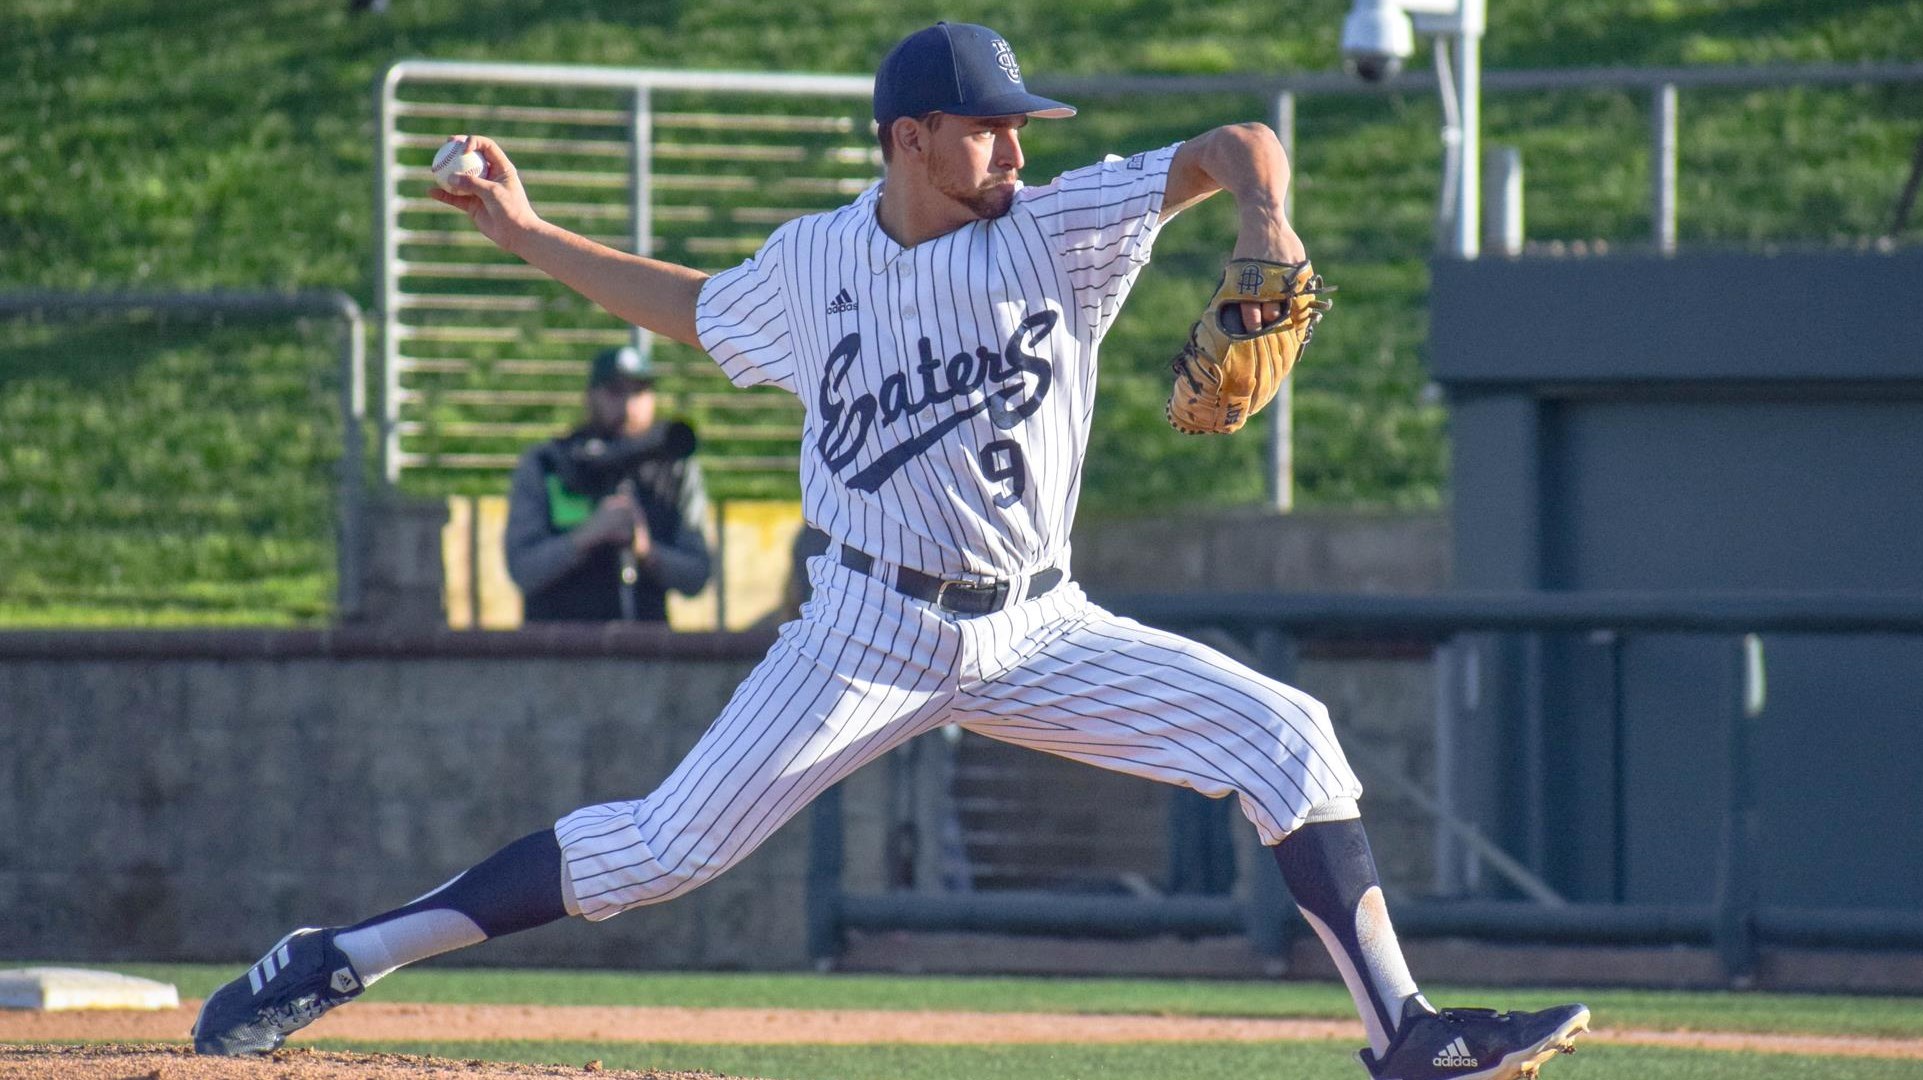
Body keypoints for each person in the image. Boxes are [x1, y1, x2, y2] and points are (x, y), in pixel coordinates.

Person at [193, 23, 1588, 1080]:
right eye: (989, 131)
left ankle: (1400, 1034)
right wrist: (528, 231)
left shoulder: (1053, 229)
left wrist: (1262, 216)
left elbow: (1232, 143)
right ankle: (341, 955)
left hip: (1040, 628)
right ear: (908, 137)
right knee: (657, 856)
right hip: (861, 633)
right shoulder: (813, 267)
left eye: (1021, 129)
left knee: (1287, 738)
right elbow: (688, 311)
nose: (1018, 152)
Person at [504, 345, 712, 623]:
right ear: (590, 397)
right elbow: (524, 569)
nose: (628, 406)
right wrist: (588, 536)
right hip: (557, 652)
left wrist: (647, 552)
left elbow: (697, 574)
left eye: (638, 392)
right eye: (615, 392)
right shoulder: (548, 464)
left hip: (645, 654)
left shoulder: (674, 469)